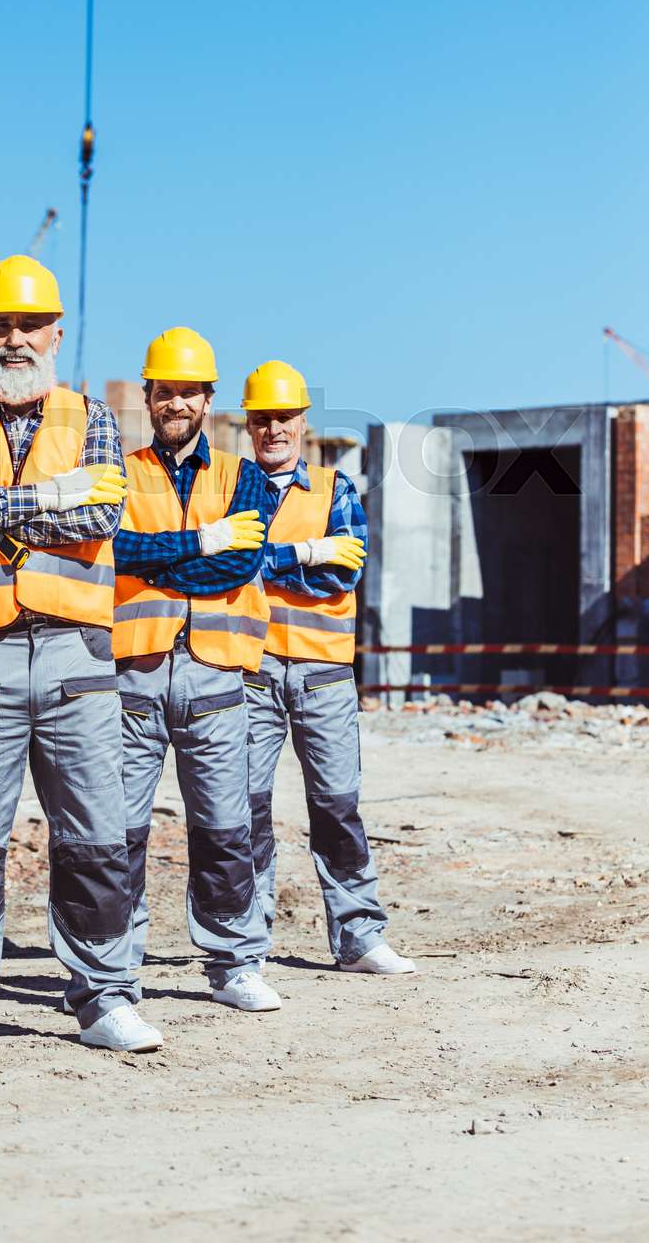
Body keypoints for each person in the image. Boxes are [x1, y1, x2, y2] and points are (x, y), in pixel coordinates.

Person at [0, 254, 162, 1056]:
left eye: (30, 325)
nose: (16, 338)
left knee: (97, 836)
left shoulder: (95, 419)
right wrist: (49, 495)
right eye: (2, 325)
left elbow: (98, 517)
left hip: (76, 656)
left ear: (56, 334)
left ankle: (105, 998)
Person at [111, 328, 283, 1012]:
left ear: (209, 400)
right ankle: (112, 969)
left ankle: (235, 963)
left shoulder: (243, 476)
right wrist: (196, 543)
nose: (176, 403)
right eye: (165, 391)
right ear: (148, 396)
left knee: (223, 829)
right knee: (117, 831)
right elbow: (112, 551)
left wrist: (160, 561)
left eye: (189, 392)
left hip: (215, 674)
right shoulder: (119, 471)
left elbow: (238, 564)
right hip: (134, 671)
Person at [242, 360, 415, 976]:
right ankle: (246, 945)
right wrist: (306, 552)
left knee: (338, 807)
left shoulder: (334, 487)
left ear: (302, 423)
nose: (274, 429)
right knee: (245, 810)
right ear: (249, 425)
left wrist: (268, 562)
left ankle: (359, 937)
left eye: (284, 417)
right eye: (262, 419)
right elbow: (230, 565)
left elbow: (343, 572)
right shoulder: (231, 488)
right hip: (252, 671)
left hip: (324, 673)